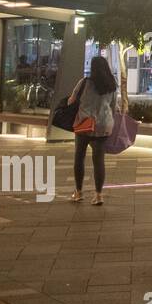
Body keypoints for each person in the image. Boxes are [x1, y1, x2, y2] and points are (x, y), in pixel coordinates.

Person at [66, 55, 119, 205]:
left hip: (84, 124)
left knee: (79, 157)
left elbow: (71, 101)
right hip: (104, 125)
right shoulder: (112, 84)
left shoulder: (84, 83)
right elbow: (114, 106)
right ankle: (98, 195)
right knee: (99, 160)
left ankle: (78, 192)